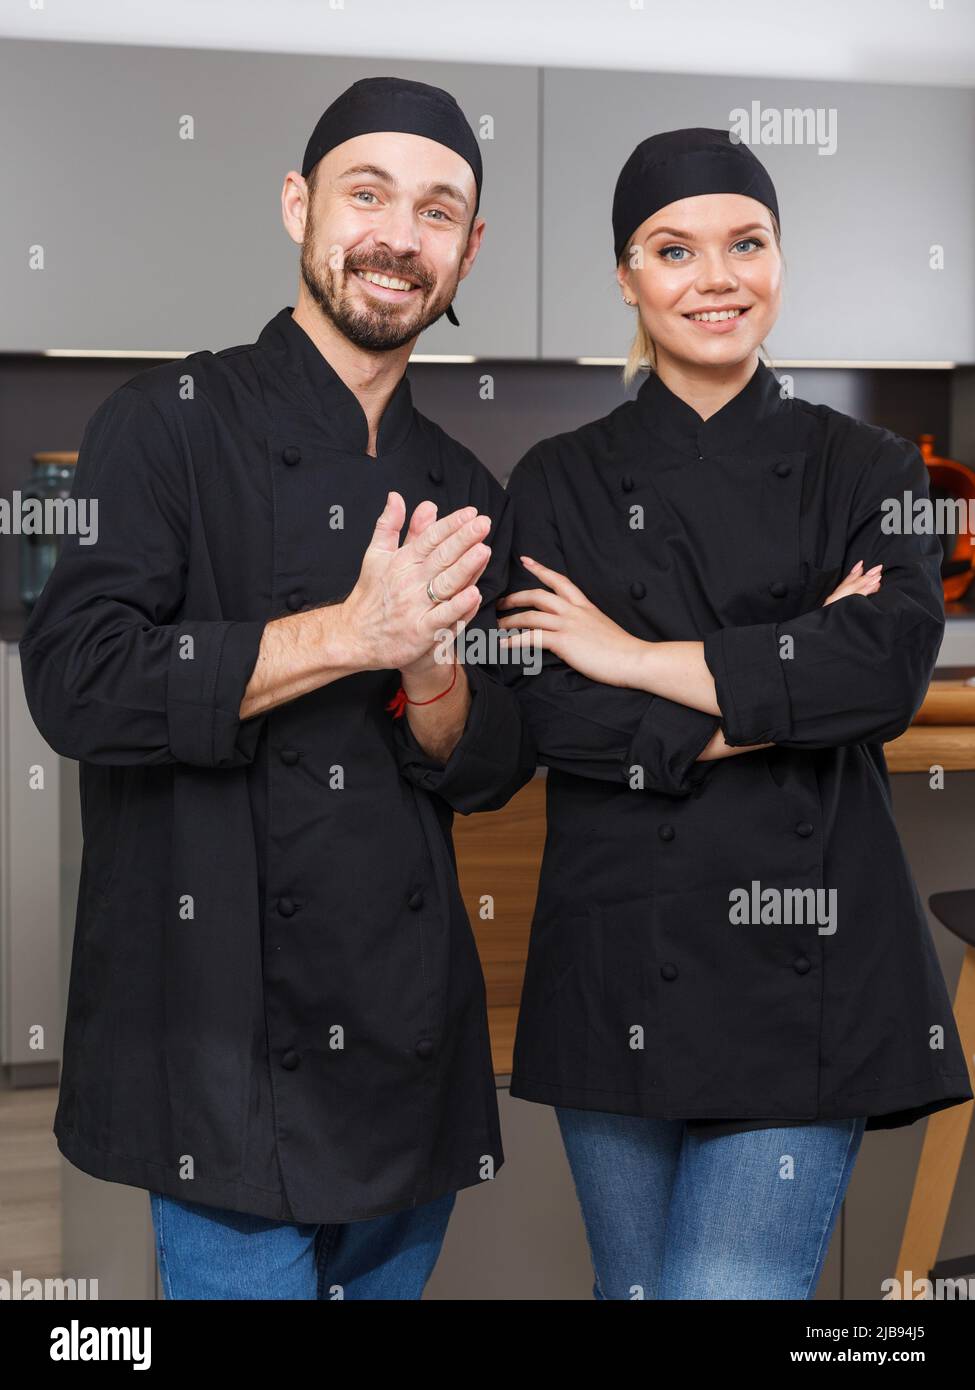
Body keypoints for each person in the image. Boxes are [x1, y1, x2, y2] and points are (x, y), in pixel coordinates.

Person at [19, 76, 535, 1300]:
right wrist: (349, 634)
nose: (399, 236)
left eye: (437, 210)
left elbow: (496, 757)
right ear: (300, 204)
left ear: (469, 249)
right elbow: (79, 680)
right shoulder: (164, 425)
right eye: (368, 194)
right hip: (217, 1046)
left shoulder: (467, 486)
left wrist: (429, 671)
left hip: (405, 1047)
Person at [497, 127, 973, 1300]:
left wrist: (632, 655)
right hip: (617, 955)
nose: (716, 277)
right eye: (675, 249)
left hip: (802, 974)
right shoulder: (555, 479)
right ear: (627, 275)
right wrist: (778, 690)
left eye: (745, 243)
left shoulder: (870, 469)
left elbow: (880, 678)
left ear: (779, 257)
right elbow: (547, 711)